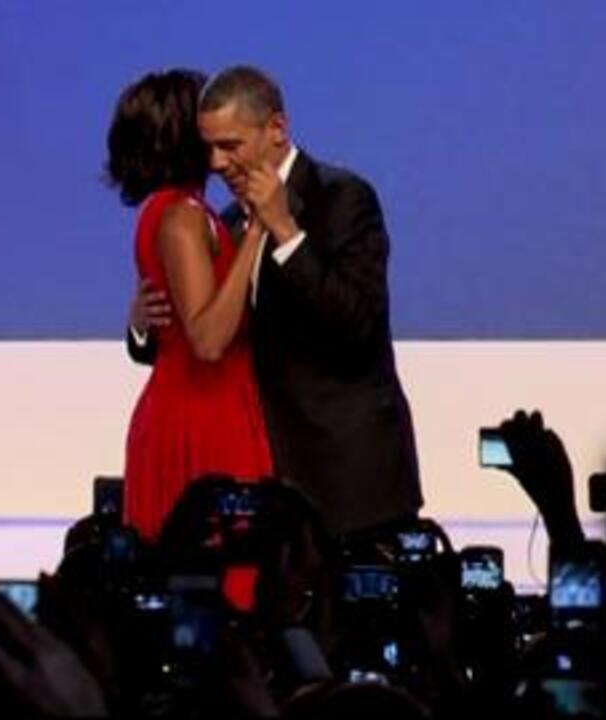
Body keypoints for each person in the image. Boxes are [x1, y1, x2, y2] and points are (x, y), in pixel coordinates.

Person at [129, 66, 422, 538]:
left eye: (230, 146)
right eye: (209, 147)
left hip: (348, 481)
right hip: (269, 483)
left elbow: (357, 324)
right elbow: (216, 341)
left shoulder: (342, 198)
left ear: (277, 130)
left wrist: (286, 231)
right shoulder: (232, 222)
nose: (217, 163)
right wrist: (142, 326)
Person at [106, 69, 274, 541]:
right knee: (212, 582)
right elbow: (207, 340)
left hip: (211, 408)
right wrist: (260, 230)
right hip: (201, 419)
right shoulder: (180, 216)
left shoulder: (187, 213)